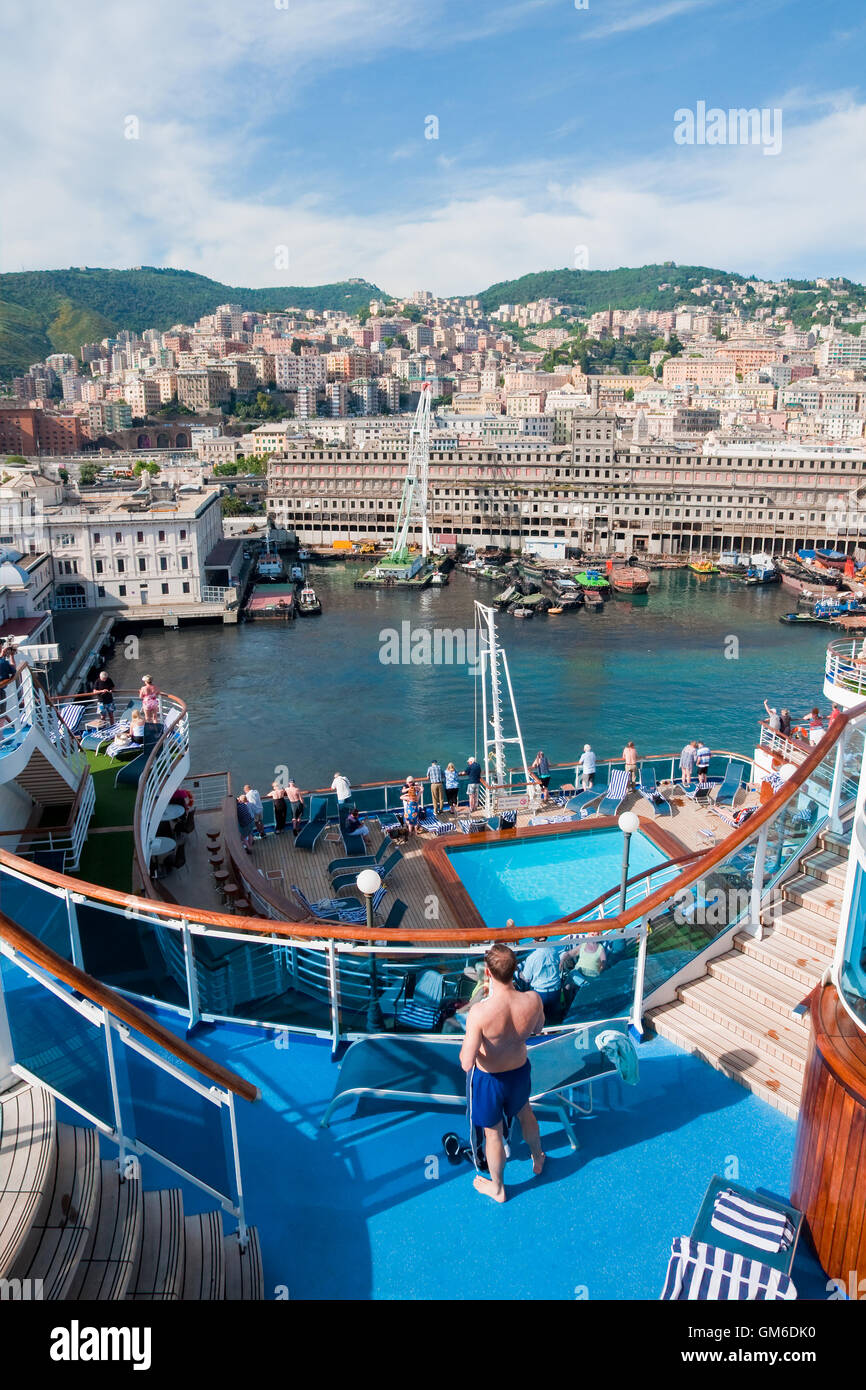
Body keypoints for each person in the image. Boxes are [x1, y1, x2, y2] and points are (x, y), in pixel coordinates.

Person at [460, 943, 546, 1203]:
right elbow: (539, 1029)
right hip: (519, 1072)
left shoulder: (480, 1013)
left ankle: (498, 1188)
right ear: (514, 969)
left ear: (487, 972)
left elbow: (466, 1063)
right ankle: (538, 1156)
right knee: (526, 1113)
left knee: (493, 1134)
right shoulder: (533, 1000)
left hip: (490, 1081)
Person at [518, 939, 565, 1022]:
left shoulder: (532, 957)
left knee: (539, 1020)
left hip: (540, 994)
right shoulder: (554, 951)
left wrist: (520, 974)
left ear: (534, 941)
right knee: (554, 1020)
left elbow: (527, 979)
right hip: (556, 992)